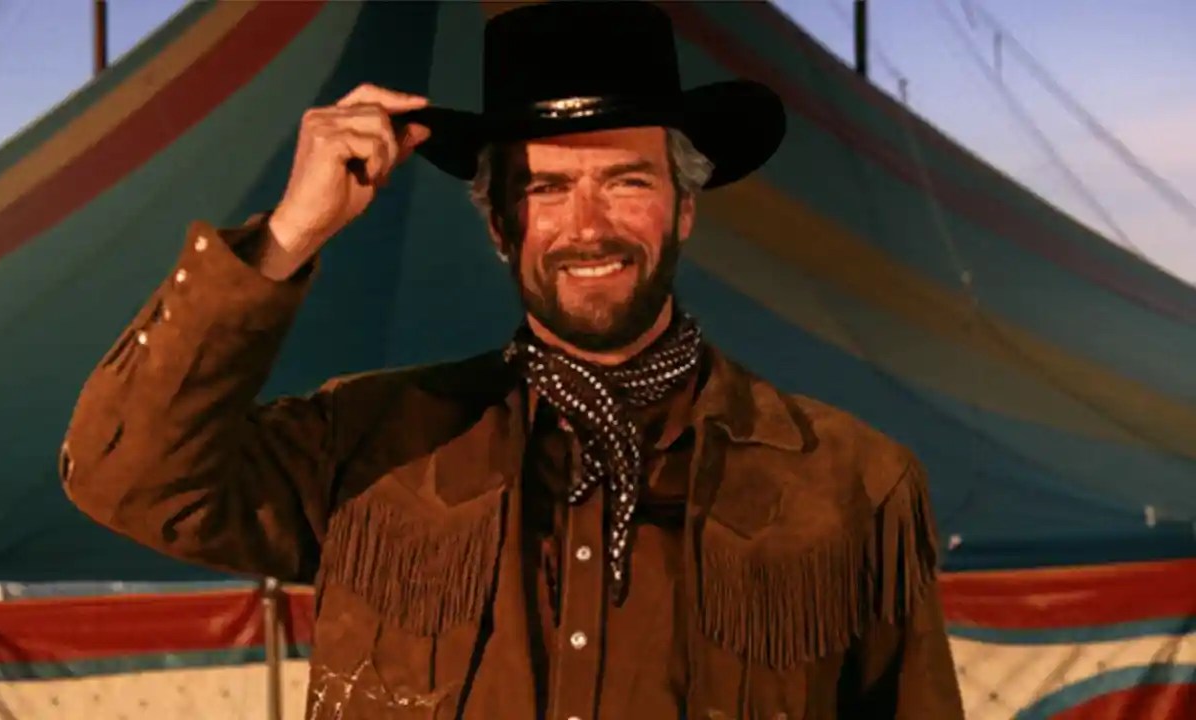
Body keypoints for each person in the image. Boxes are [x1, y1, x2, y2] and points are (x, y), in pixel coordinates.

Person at [60, 2, 964, 718]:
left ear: (685, 207)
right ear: (499, 223)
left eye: (627, 181)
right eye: (547, 188)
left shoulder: (852, 488)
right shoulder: (367, 448)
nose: (588, 227)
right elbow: (122, 472)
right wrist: (288, 235)